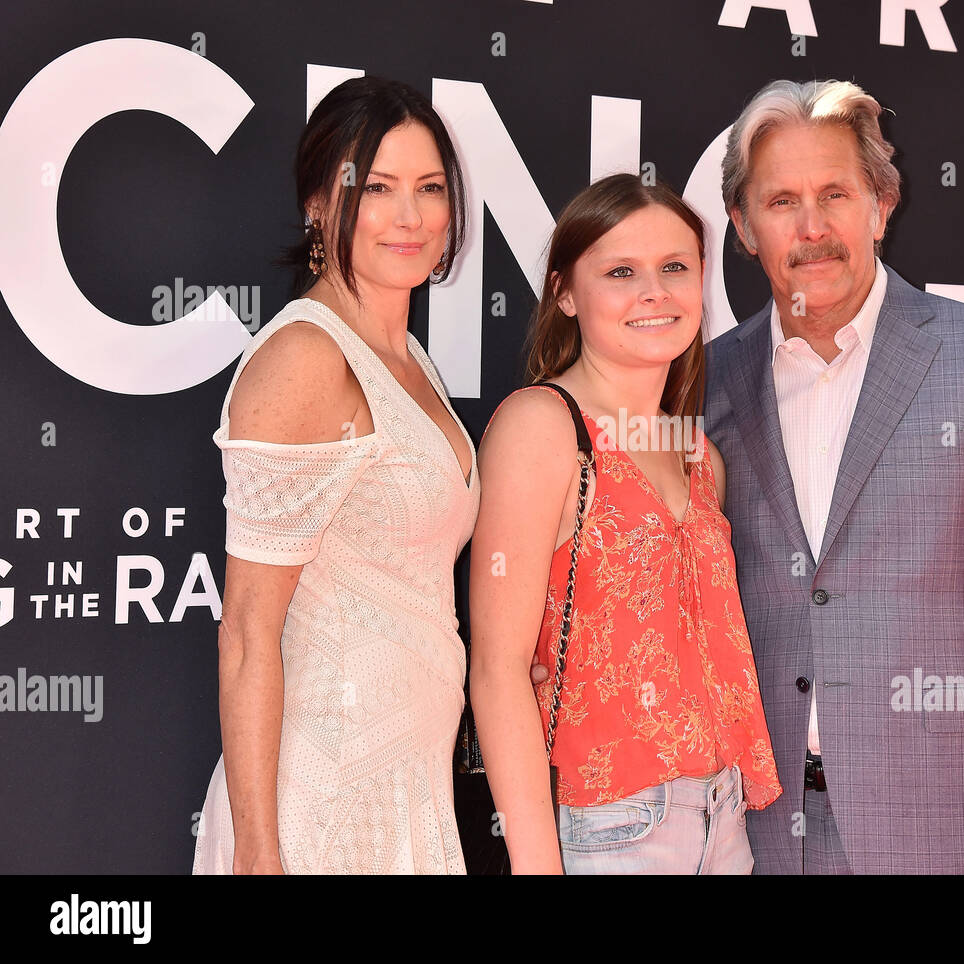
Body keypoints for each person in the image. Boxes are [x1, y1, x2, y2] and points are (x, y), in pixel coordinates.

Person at [703, 79, 964, 874]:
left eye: (835, 194)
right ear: (745, 227)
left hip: (945, 831)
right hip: (757, 832)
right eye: (781, 201)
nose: (812, 227)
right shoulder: (704, 384)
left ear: (881, 205)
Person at [193, 77, 476, 874]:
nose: (410, 217)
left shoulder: (410, 359)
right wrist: (257, 852)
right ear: (320, 202)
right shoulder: (305, 359)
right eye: (377, 188)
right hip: (319, 801)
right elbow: (248, 631)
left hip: (404, 787)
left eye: (429, 188)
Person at [469, 173, 782, 874]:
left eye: (675, 267)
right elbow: (497, 669)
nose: (654, 292)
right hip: (606, 825)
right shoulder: (540, 427)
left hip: (724, 818)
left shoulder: (698, 453)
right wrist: (536, 864)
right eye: (620, 271)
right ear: (566, 293)